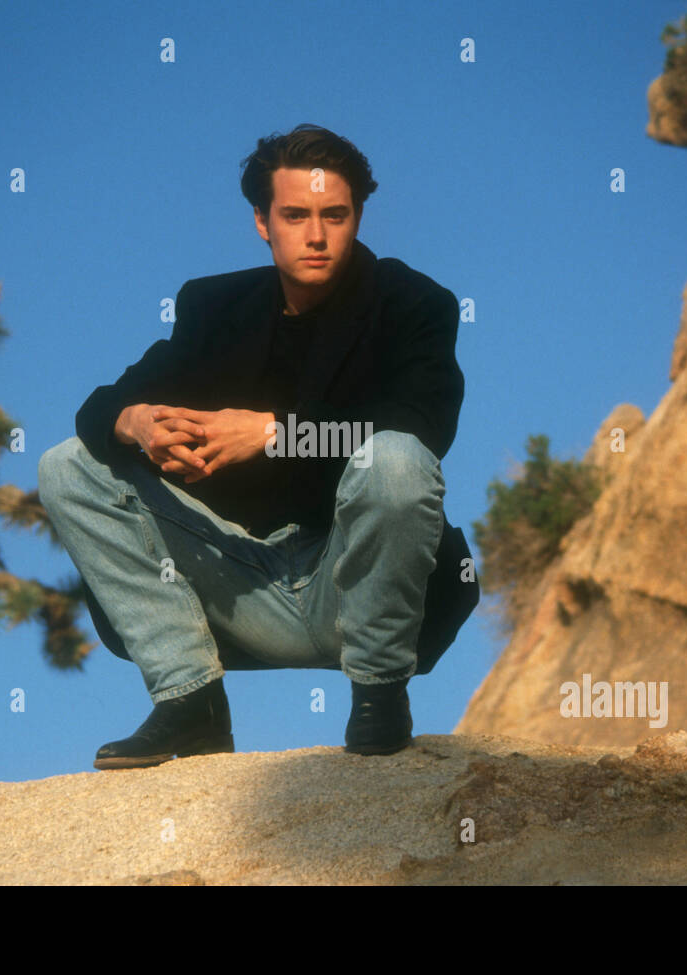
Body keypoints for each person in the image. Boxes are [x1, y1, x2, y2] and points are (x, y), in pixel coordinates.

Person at [37, 123, 478, 770]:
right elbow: (101, 406)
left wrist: (275, 434)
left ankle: (380, 695)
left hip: (354, 584)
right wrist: (136, 423)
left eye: (336, 215)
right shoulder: (216, 307)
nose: (317, 235)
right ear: (263, 223)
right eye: (295, 215)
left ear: (358, 216)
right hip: (240, 581)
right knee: (68, 465)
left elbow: (423, 425)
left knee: (397, 460)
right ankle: (191, 701)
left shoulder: (413, 303)